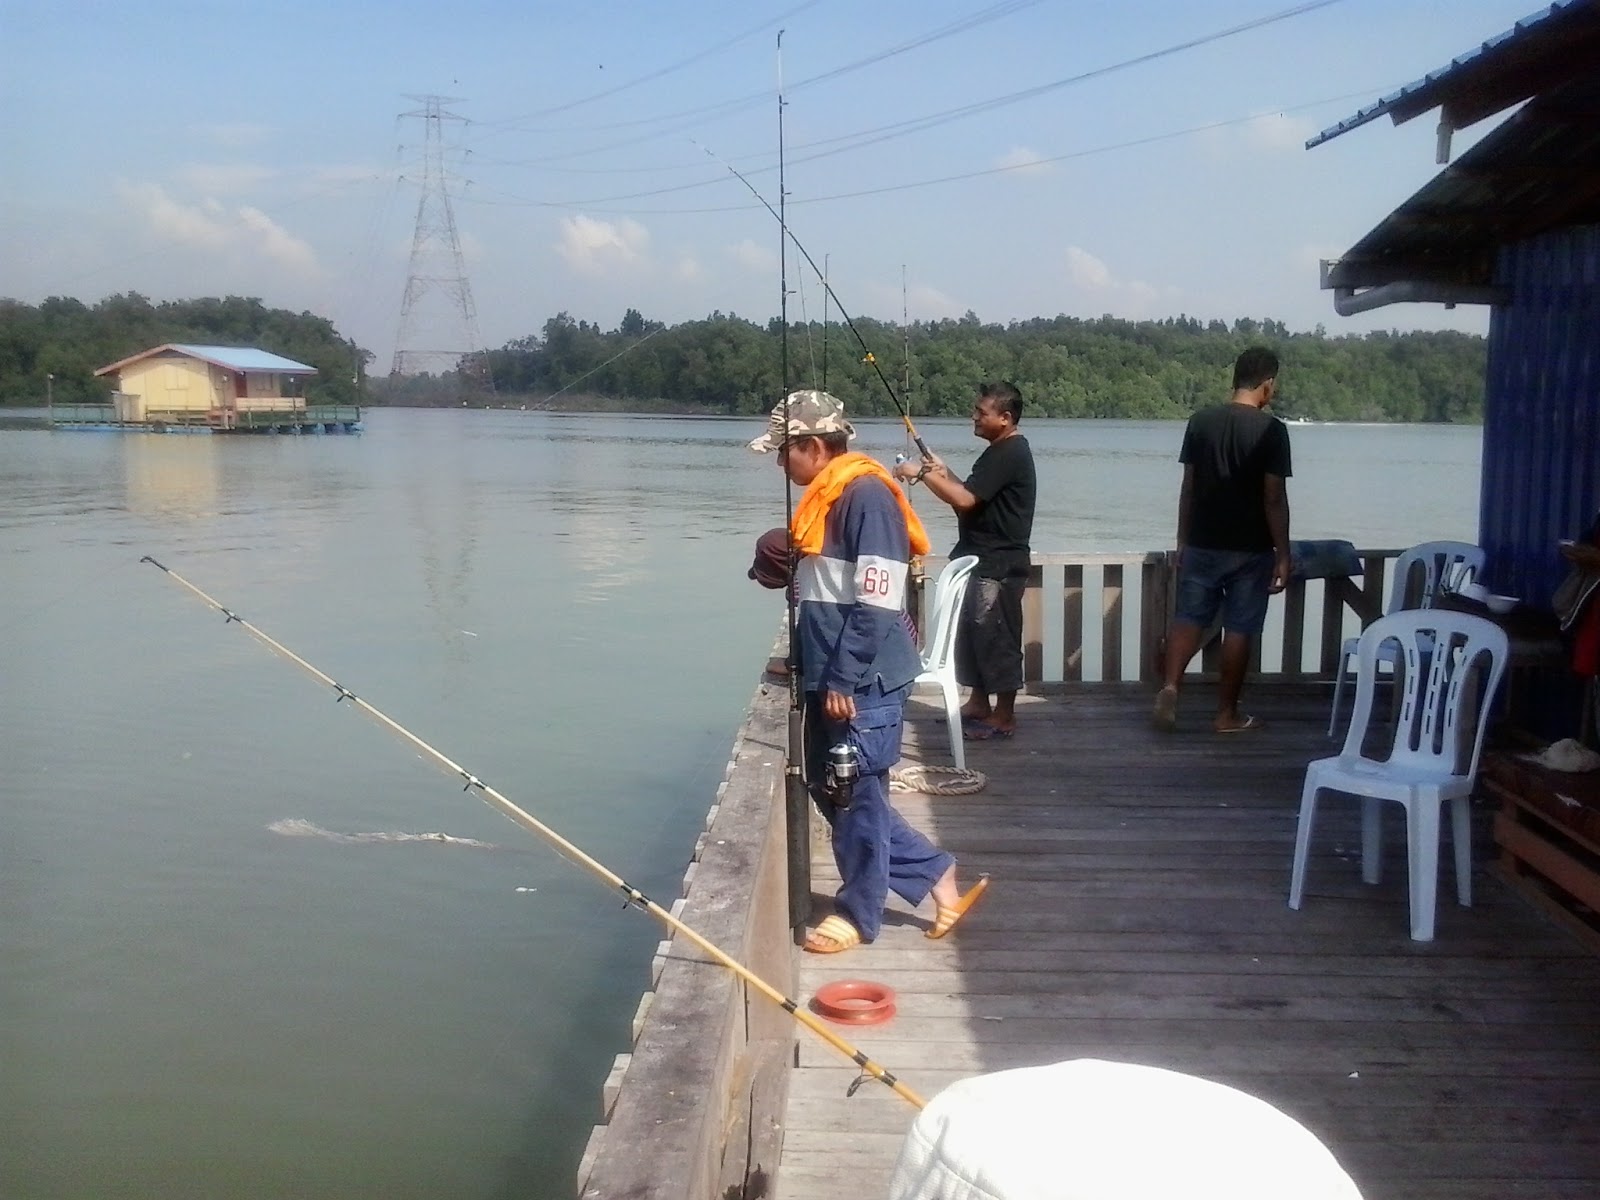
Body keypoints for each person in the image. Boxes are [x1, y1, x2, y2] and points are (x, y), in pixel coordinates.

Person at [750, 389, 988, 954]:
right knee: (835, 787)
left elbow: (878, 600)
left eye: (784, 453)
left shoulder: (866, 497)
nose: (781, 465)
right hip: (831, 669)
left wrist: (841, 678)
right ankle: (935, 873)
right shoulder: (829, 498)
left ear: (811, 445)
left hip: (863, 680)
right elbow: (827, 587)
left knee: (852, 792)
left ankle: (860, 914)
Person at [1152, 347, 1292, 734]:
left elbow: (1188, 487)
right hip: (1250, 548)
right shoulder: (1272, 430)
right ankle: (1226, 714)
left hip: (1201, 541)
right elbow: (1273, 496)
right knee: (1240, 627)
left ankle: (1169, 686)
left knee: (1189, 618)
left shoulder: (1200, 422)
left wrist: (1182, 539)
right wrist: (1284, 552)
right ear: (1267, 384)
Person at [893, 382, 1036, 739]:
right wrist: (943, 471)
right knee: (972, 634)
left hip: (999, 564)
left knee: (996, 637)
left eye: (981, 412)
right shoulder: (998, 452)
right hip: (980, 558)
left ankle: (1004, 716)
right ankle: (978, 702)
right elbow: (970, 491)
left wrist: (921, 474)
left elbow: (965, 500)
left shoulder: (1010, 452)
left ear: (1005, 418)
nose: (974, 417)